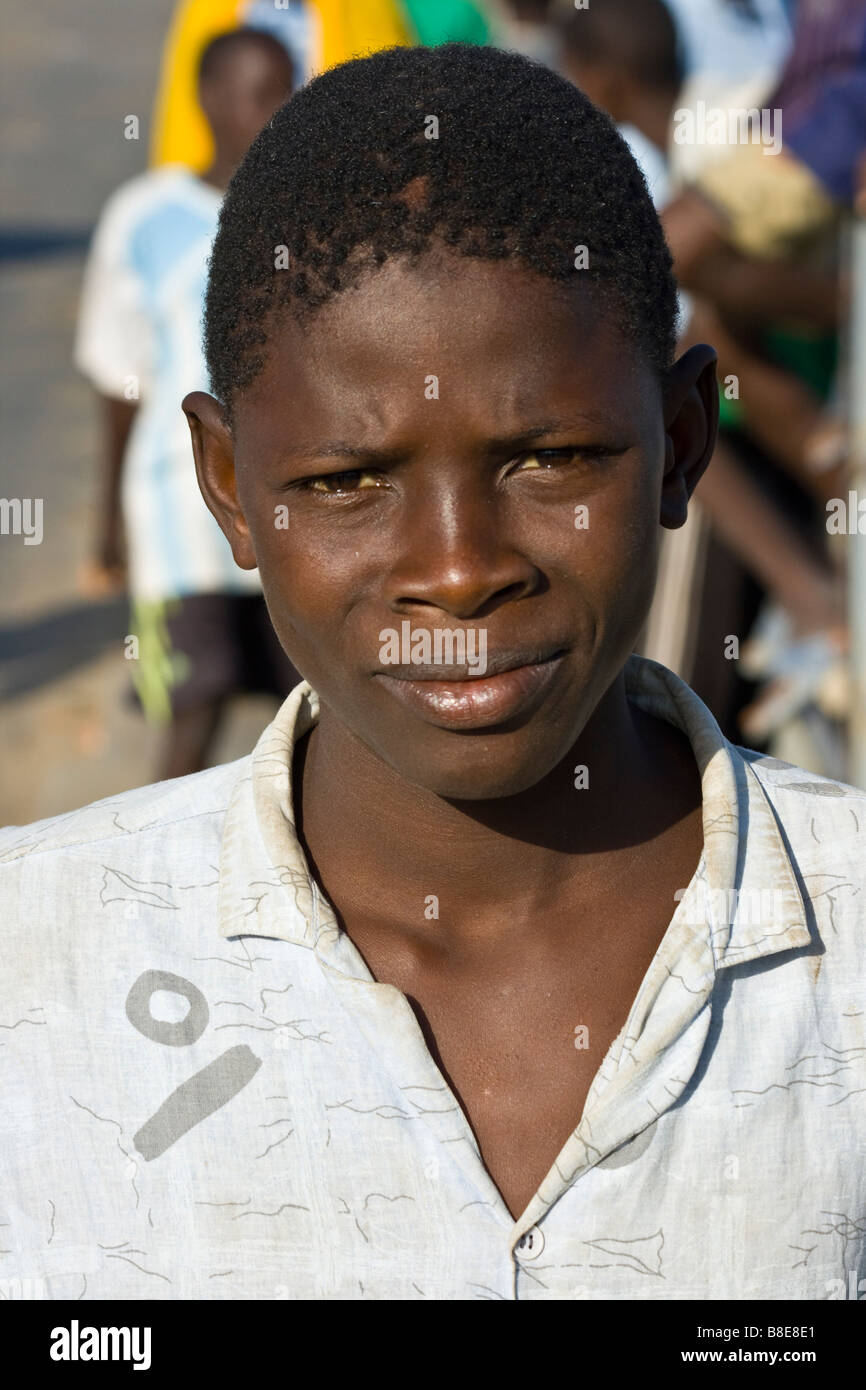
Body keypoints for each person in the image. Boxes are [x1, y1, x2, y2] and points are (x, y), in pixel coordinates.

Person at [2, 44, 863, 1300]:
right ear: (231, 489)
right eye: (346, 481)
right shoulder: (36, 969)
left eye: (550, 457)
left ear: (679, 442)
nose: (457, 572)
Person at [75, 29, 300, 779]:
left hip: (290, 511)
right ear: (208, 100)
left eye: (290, 89)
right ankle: (162, 882)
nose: (281, 110)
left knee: (307, 720)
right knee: (189, 713)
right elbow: (120, 378)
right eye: (262, 92)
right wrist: (107, 523)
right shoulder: (144, 218)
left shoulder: (310, 218)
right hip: (177, 517)